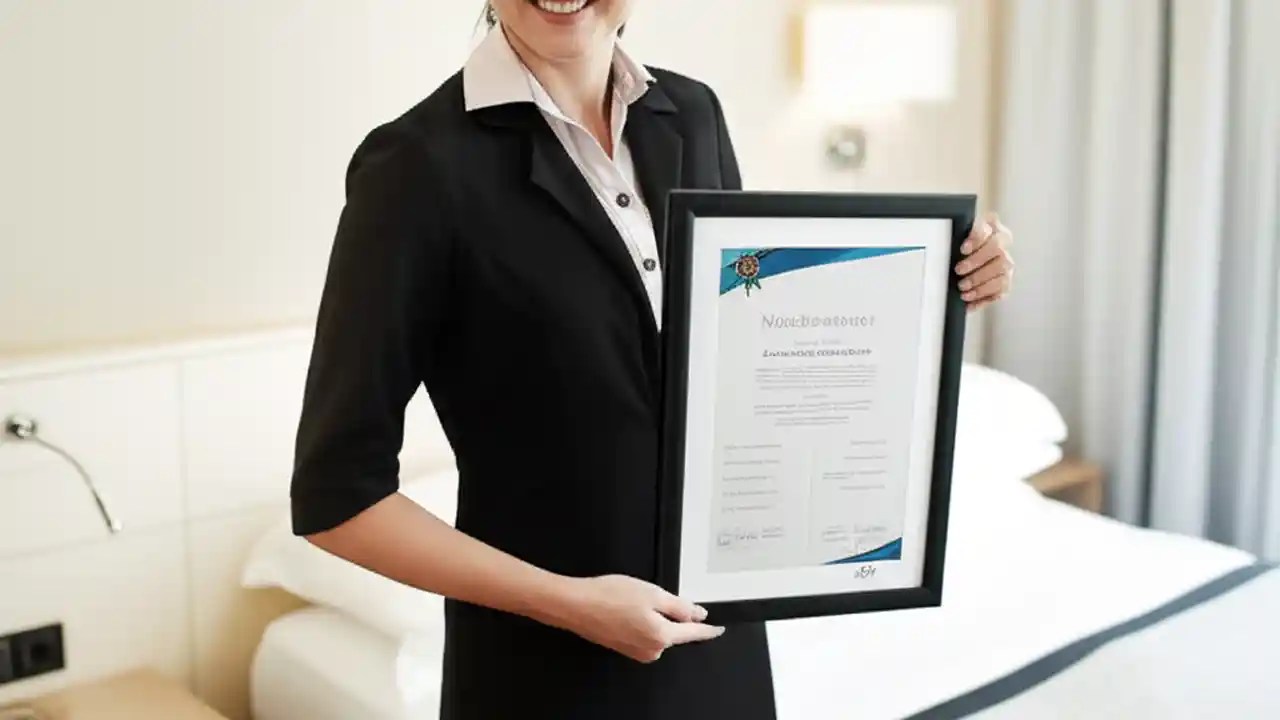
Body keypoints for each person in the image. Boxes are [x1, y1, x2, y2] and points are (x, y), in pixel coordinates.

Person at [289, 1, 1015, 718]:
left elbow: (745, 349)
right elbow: (337, 498)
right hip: (543, 672)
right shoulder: (416, 166)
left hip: (715, 646)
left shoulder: (691, 115)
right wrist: (570, 603)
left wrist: (941, 280)